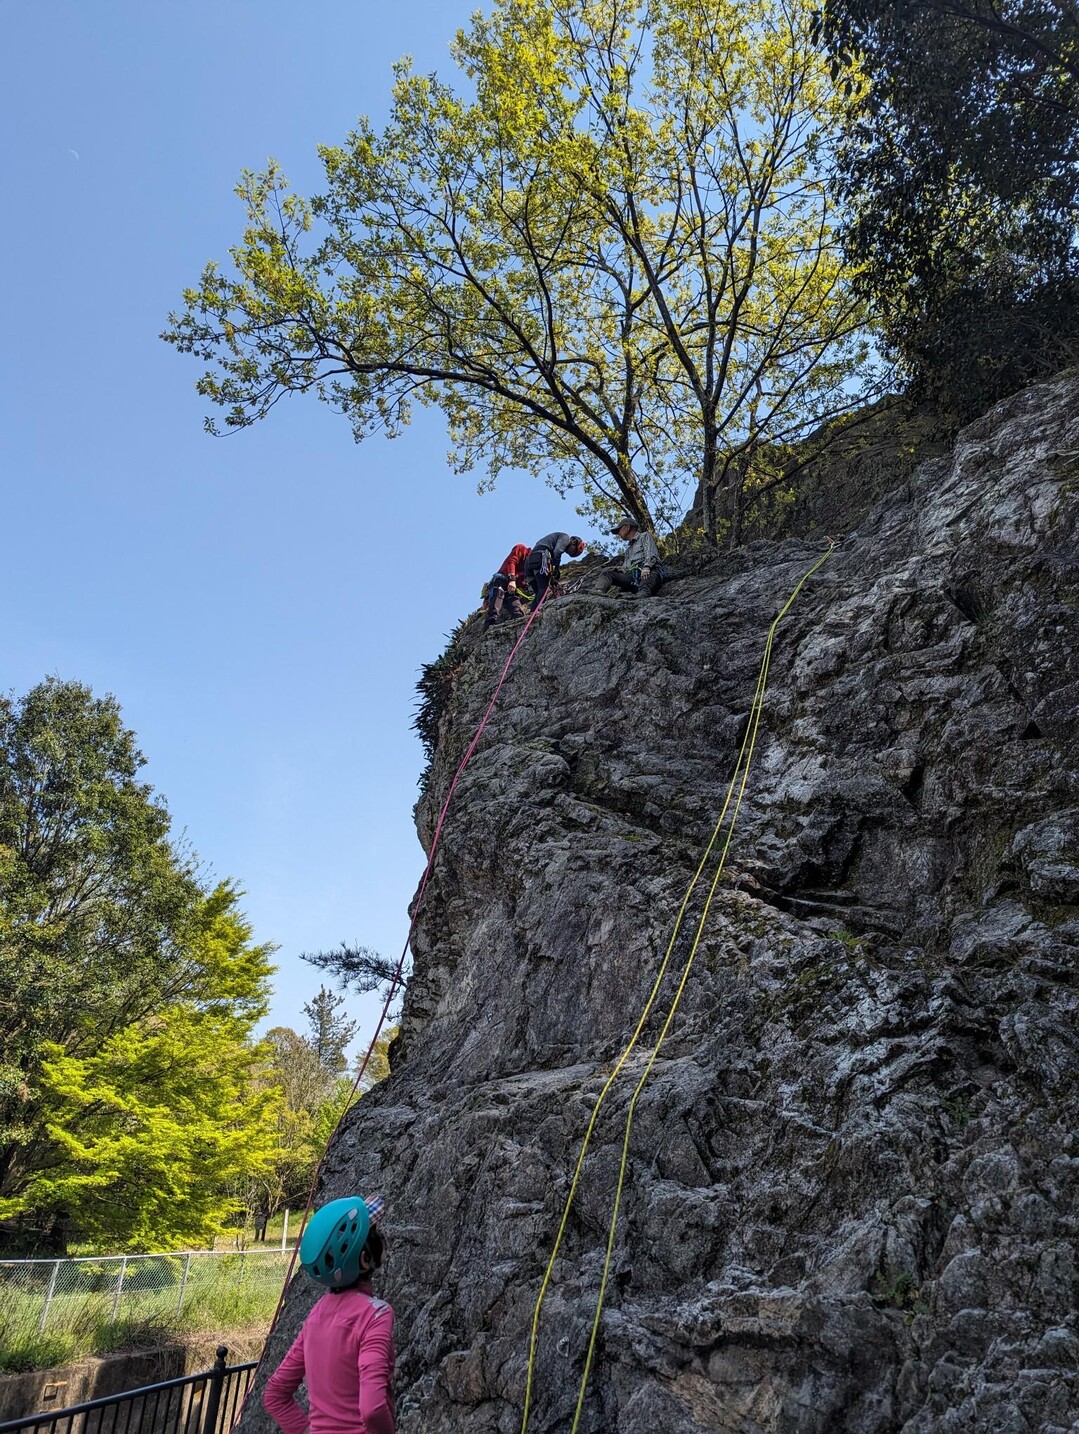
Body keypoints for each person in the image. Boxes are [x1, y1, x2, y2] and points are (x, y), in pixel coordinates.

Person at [264, 1194, 394, 1434]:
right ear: (365, 1260)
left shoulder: (317, 1314)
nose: (384, 1237)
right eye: (376, 1234)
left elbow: (275, 1394)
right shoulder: (375, 1314)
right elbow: (372, 1408)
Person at [594, 515, 664, 596]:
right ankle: (598, 592)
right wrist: (620, 569)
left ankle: (643, 594)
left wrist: (647, 567)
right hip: (633, 576)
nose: (618, 534)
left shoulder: (644, 536)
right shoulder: (628, 550)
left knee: (650, 573)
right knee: (607, 572)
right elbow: (626, 567)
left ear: (627, 527)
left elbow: (651, 553)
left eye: (619, 530)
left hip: (650, 571)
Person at [522, 533, 587, 607]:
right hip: (540, 559)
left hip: (530, 562)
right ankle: (539, 610)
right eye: (572, 551)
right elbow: (557, 552)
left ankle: (533, 612)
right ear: (574, 542)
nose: (568, 552)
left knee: (538, 593)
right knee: (543, 588)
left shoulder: (553, 541)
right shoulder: (565, 538)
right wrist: (556, 568)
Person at [483, 543, 532, 629]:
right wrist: (512, 579)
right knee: (497, 599)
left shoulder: (529, 568)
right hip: (502, 579)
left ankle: (518, 625)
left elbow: (522, 582)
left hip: (512, 588)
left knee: (517, 611)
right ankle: (489, 626)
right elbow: (511, 561)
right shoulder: (521, 548)